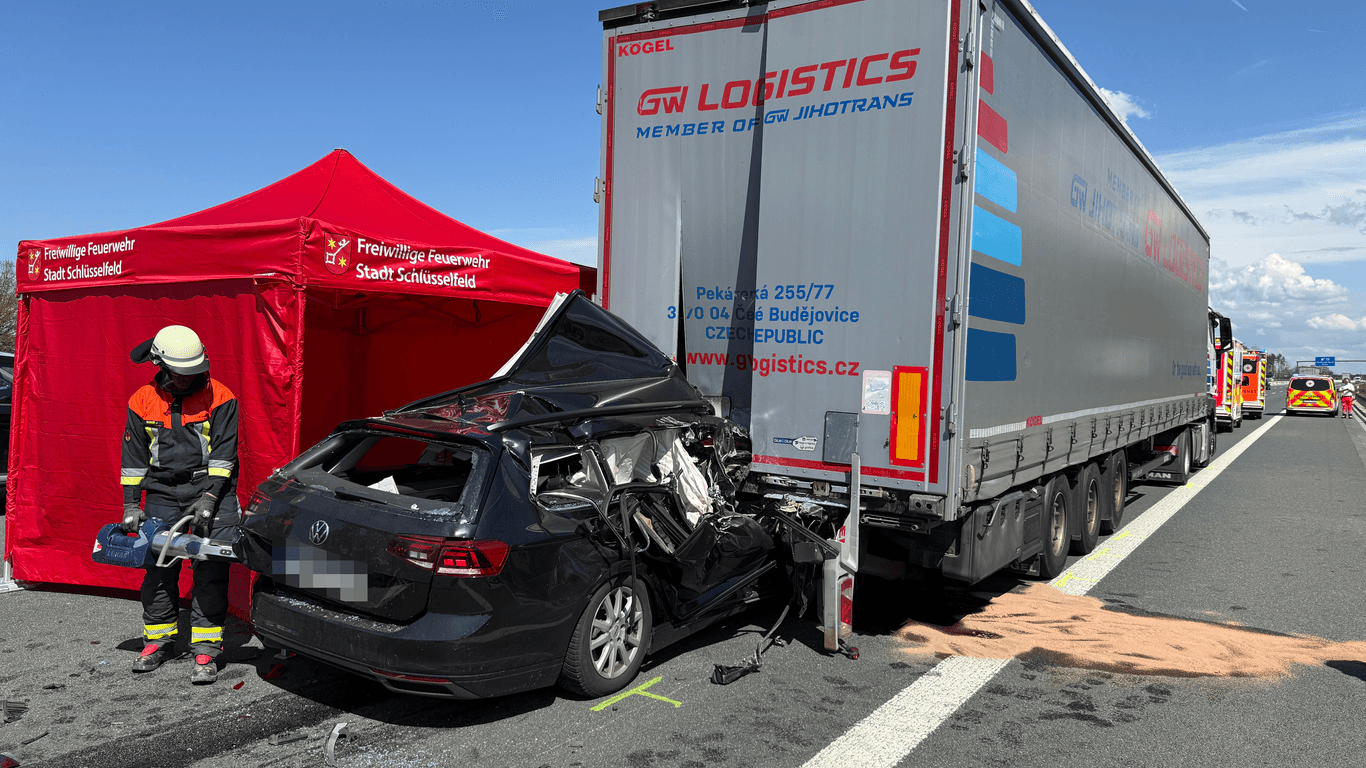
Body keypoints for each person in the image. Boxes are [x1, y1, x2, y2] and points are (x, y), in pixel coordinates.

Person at [120, 325, 241, 684]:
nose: (190, 380)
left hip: (212, 490)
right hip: (161, 493)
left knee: (211, 568)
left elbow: (224, 454)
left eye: (194, 372)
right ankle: (158, 642)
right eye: (181, 374)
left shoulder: (221, 397)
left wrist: (209, 497)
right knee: (158, 569)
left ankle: (206, 649)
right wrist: (131, 504)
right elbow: (133, 458)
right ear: (159, 364)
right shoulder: (141, 400)